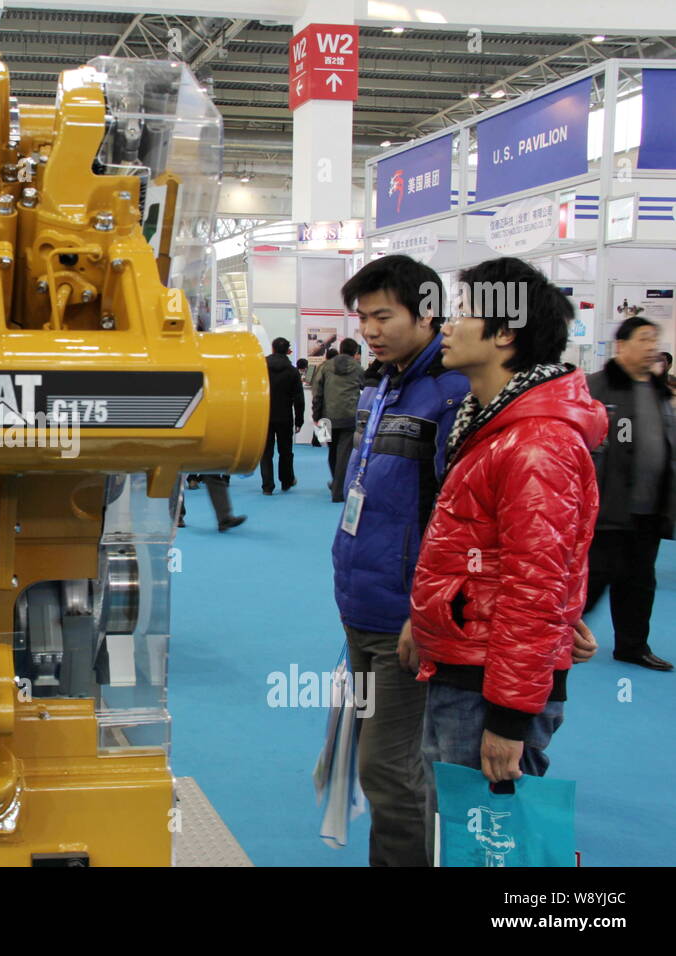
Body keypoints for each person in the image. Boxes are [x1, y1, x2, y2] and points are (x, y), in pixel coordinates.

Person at [410, 258, 606, 863]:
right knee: (466, 838)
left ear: (506, 334)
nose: (446, 323)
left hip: (488, 687)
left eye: (464, 310)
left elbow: (534, 583)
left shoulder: (535, 442)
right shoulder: (494, 425)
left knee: (495, 845)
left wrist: (509, 717)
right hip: (469, 665)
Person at [331, 254, 469, 867]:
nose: (371, 329)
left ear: (426, 312)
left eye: (383, 316)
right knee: (374, 759)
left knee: (388, 767)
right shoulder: (382, 380)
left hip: (407, 620)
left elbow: (455, 518)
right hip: (360, 602)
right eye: (363, 318)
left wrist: (425, 609)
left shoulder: (453, 391)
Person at [583, 316, 676, 671]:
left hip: (648, 510)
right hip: (606, 509)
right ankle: (555, 637)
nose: (651, 346)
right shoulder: (595, 387)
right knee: (593, 579)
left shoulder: (658, 390)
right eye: (643, 339)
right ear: (621, 345)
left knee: (640, 582)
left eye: (654, 339)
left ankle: (632, 646)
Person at [312, 338, 365, 503]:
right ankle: (338, 489)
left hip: (327, 417)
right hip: (349, 417)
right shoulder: (358, 368)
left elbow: (317, 391)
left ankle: (336, 482)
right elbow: (365, 387)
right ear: (355, 351)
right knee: (344, 454)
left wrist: (316, 414)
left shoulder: (325, 366)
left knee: (332, 451)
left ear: (341, 349)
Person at [260, 337, 304, 494]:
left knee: (266, 452)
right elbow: (298, 398)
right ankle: (286, 481)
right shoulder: (292, 371)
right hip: (285, 416)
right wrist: (299, 419)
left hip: (264, 416)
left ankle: (267, 486)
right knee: (285, 451)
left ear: (272, 349)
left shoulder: (261, 368)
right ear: (287, 351)